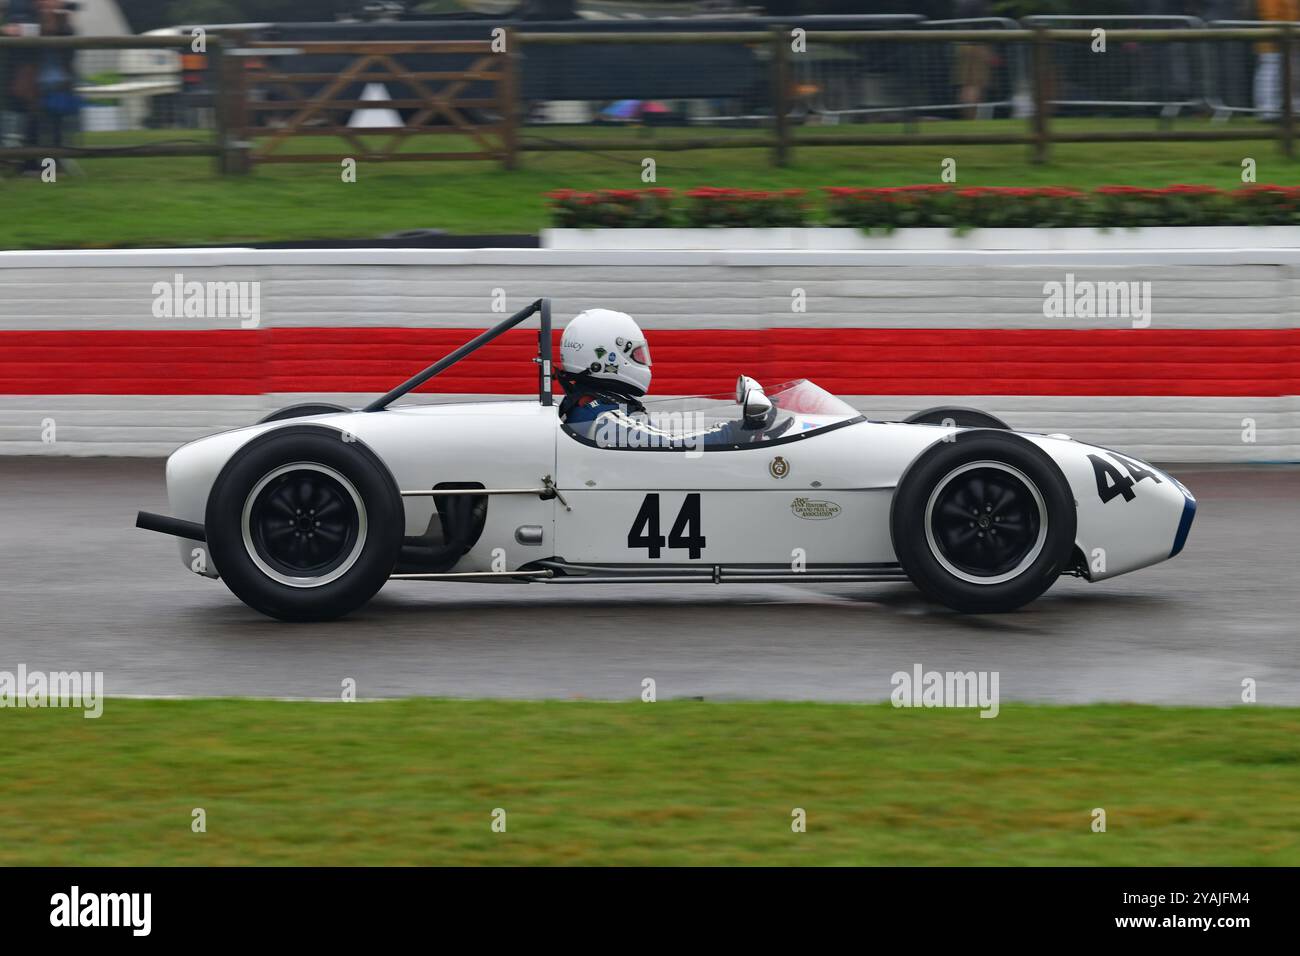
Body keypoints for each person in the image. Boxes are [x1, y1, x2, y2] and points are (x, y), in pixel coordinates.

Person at [557, 308, 771, 449]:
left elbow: (660, 437)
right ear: (606, 357)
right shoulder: (599, 416)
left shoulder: (596, 406)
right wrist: (734, 432)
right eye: (637, 354)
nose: (644, 362)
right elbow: (669, 445)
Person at [1255, 0, 1300, 121]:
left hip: (1290, 35)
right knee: (1270, 72)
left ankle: (1293, 108)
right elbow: (1271, 14)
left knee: (1293, 73)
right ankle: (1268, 110)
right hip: (1275, 36)